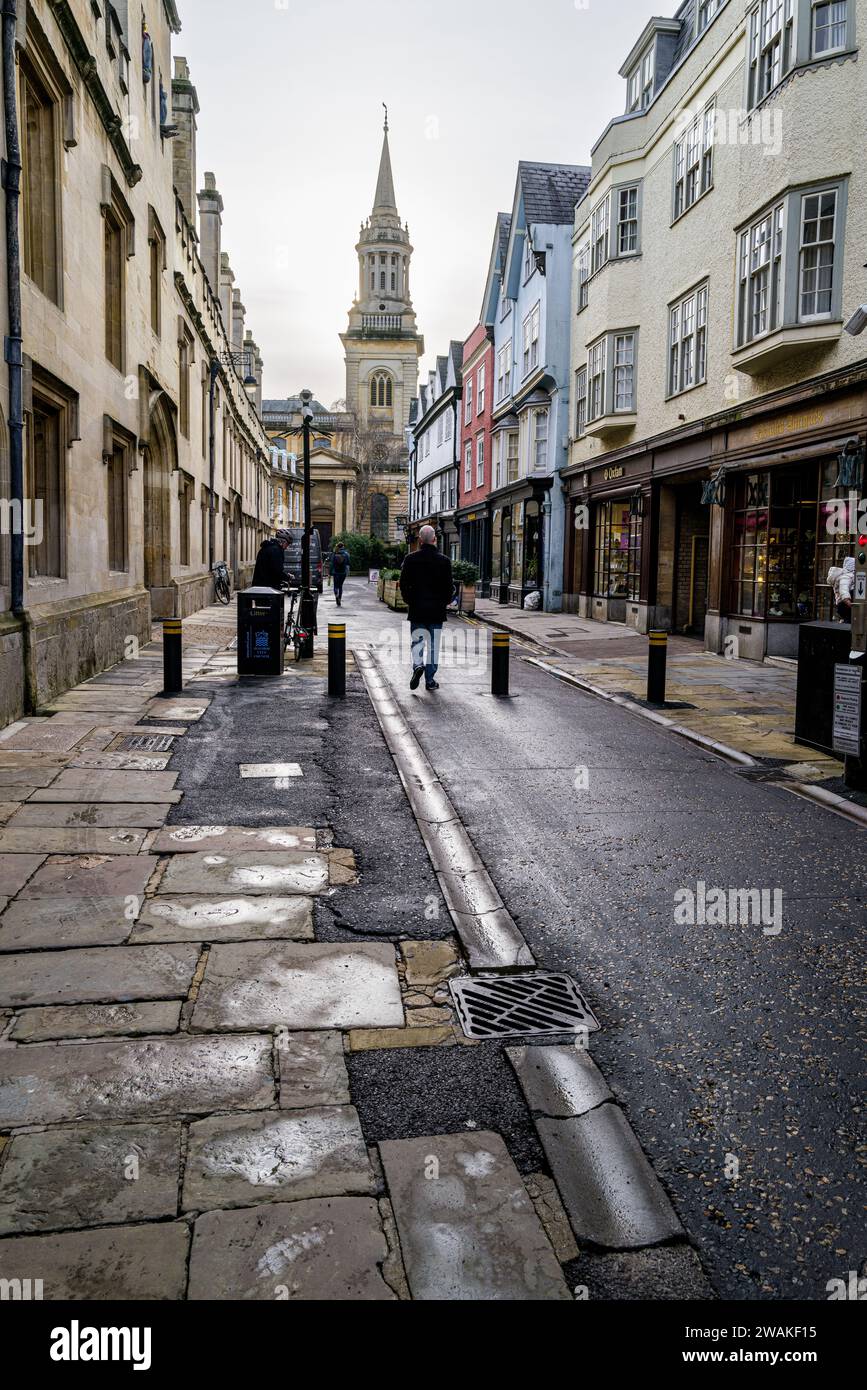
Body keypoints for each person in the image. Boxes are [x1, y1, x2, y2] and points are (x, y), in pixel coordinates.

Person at [399, 525, 454, 692]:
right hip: (436, 611)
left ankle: (417, 666)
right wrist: (444, 602)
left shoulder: (410, 559)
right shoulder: (444, 561)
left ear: (420, 540)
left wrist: (410, 600)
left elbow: (403, 584)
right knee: (433, 646)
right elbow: (449, 587)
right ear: (435, 540)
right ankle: (430, 680)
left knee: (417, 642)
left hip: (417, 609)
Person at [331, 542, 351, 607]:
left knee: (335, 586)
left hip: (335, 572)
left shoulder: (335, 553)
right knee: (340, 586)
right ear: (343, 546)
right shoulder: (346, 554)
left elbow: (332, 564)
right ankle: (339, 598)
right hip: (343, 573)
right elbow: (348, 564)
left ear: (338, 547)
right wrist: (347, 573)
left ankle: (336, 594)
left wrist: (330, 572)